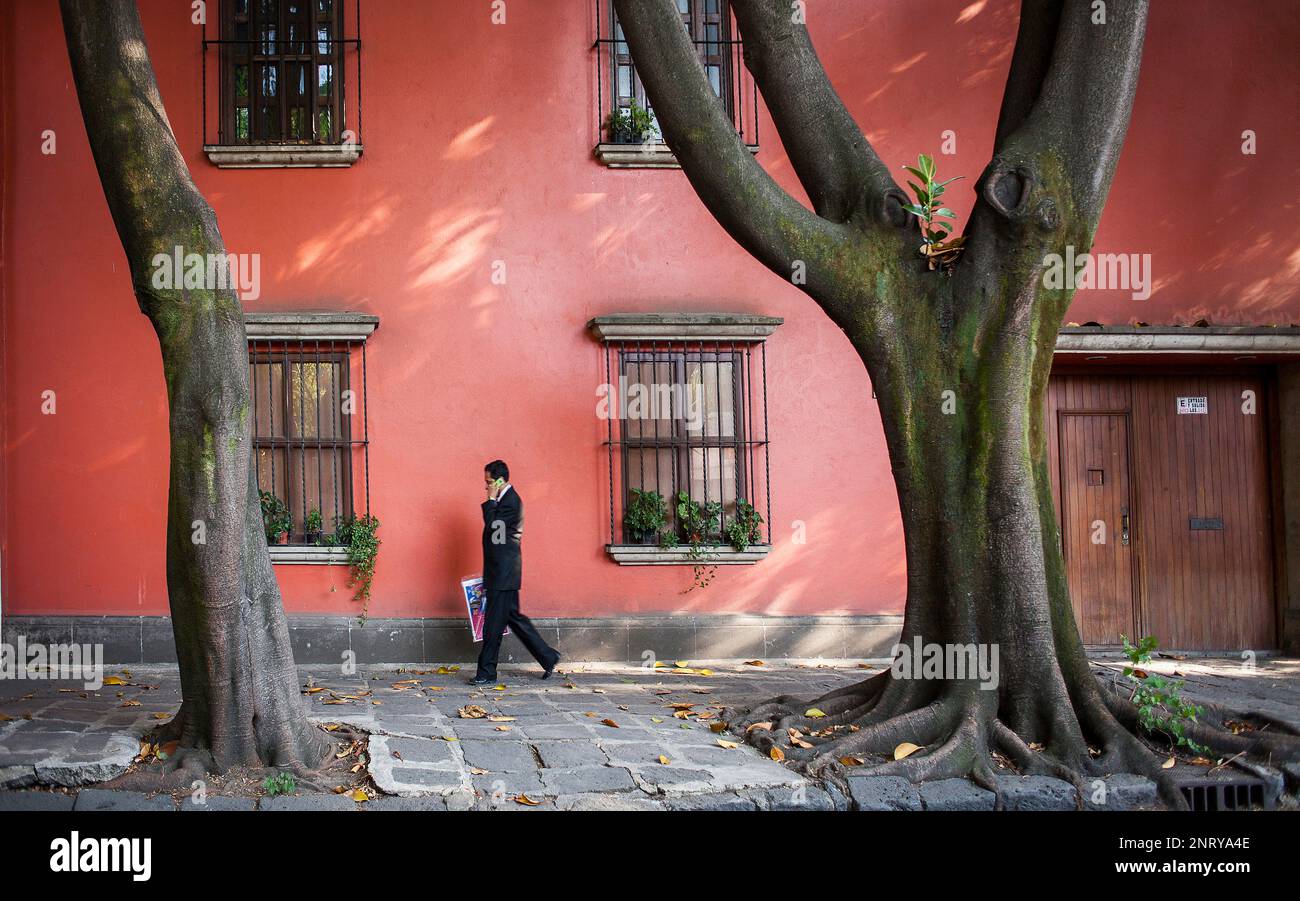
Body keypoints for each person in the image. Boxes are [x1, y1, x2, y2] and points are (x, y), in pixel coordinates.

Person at [470, 460, 561, 685]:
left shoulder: (510, 502)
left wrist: (490, 500)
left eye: (489, 482)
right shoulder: (505, 501)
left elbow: (495, 532)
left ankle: (487, 672)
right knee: (514, 619)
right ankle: (548, 657)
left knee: (492, 624)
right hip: (501, 572)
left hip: (503, 574)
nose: (486, 486)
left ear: (500, 481)